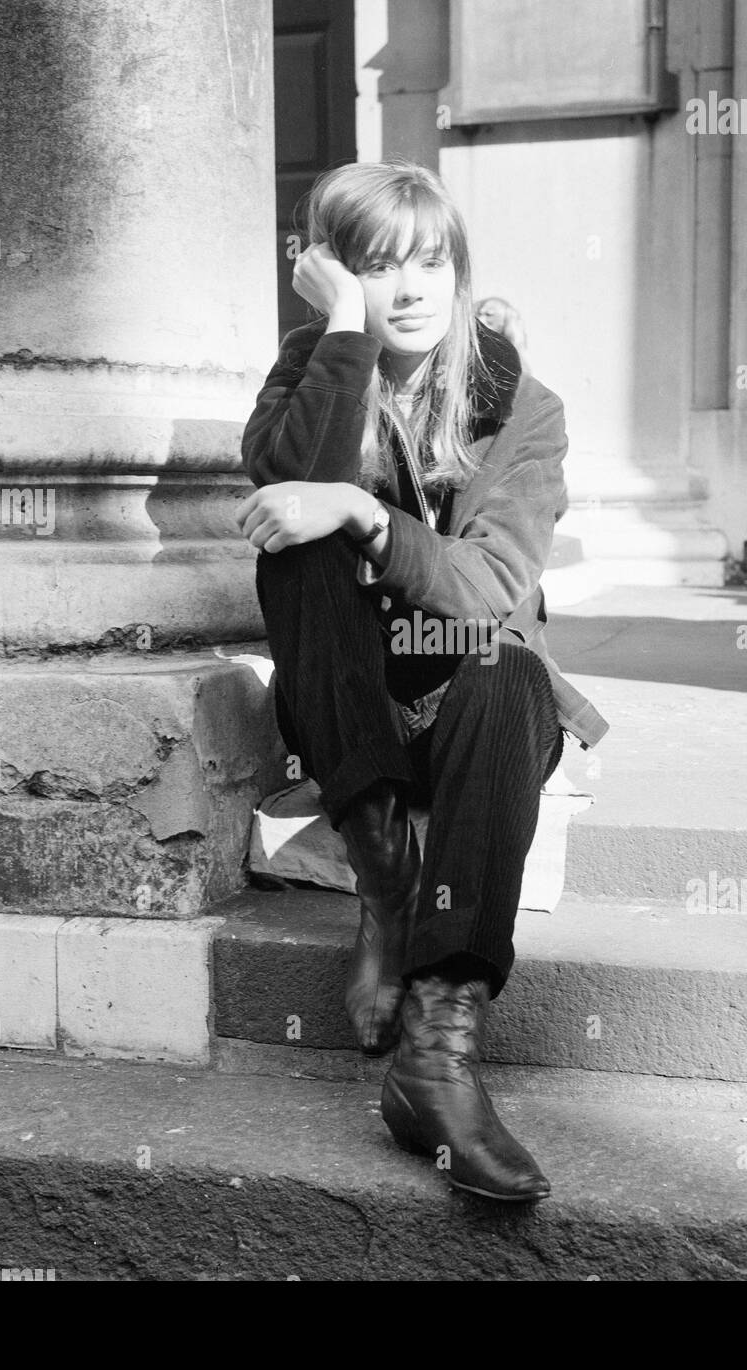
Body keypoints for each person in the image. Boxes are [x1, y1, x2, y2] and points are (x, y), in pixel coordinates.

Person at [236, 159, 608, 1202]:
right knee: (293, 552)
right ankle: (387, 886)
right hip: (361, 706)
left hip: (474, 707)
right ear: (331, 275)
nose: (408, 289)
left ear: (458, 269)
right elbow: (282, 474)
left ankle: (435, 1053)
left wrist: (361, 514)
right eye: (374, 266)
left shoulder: (521, 407)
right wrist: (342, 335)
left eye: (429, 261)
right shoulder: (312, 363)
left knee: (504, 670)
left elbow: (488, 585)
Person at [475, 296, 530, 372]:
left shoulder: (515, 360)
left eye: (489, 315)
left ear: (504, 321)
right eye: (479, 314)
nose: (480, 319)